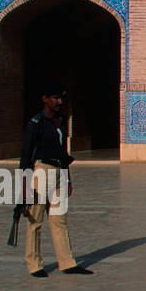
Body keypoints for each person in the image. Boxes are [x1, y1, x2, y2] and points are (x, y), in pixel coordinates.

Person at [20, 83, 92, 277]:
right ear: (45, 99)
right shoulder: (36, 123)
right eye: (55, 98)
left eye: (61, 98)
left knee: (59, 219)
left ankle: (67, 262)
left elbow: (63, 152)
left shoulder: (60, 120)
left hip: (59, 171)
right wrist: (26, 186)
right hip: (41, 171)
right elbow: (26, 156)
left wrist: (67, 178)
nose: (59, 101)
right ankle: (34, 264)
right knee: (35, 221)